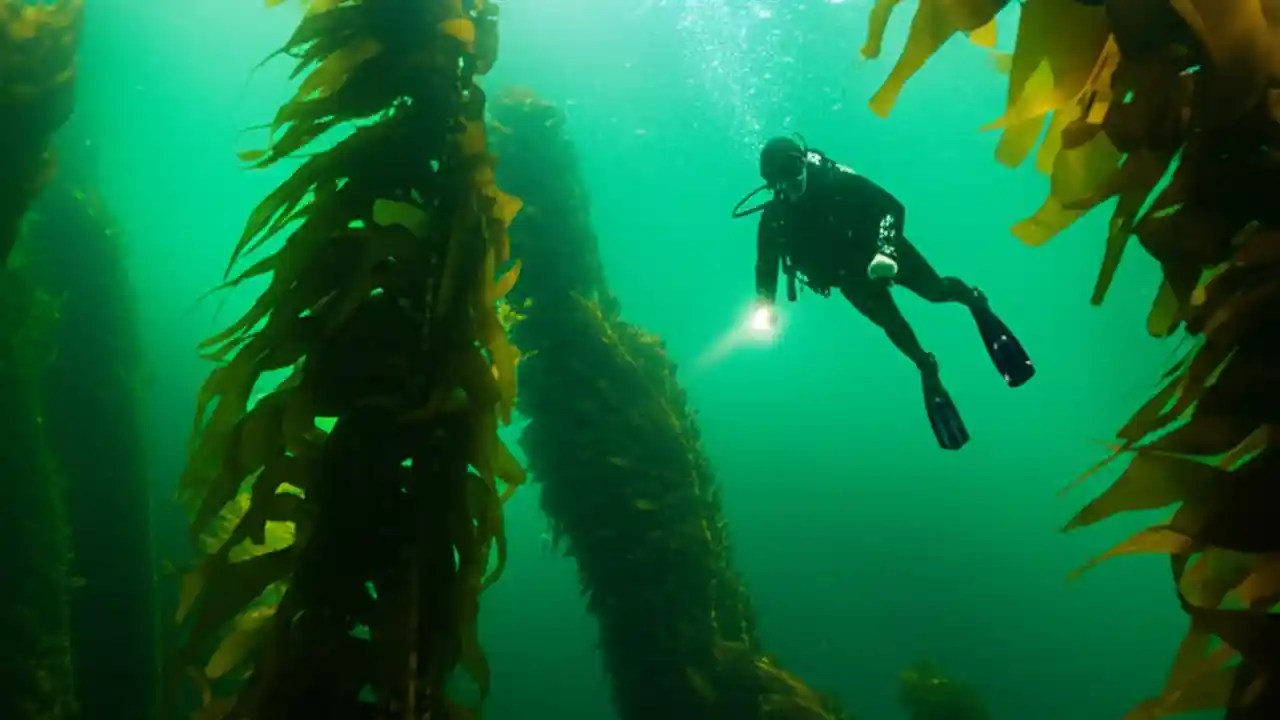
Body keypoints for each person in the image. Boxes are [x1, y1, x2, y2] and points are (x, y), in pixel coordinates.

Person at [731, 135, 1034, 450]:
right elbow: (765, 263)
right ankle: (926, 367)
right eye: (777, 178)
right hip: (850, 280)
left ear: (803, 161)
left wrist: (886, 250)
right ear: (769, 182)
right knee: (895, 326)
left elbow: (890, 206)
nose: (790, 183)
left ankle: (973, 300)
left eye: (794, 169)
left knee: (937, 291)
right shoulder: (775, 217)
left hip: (883, 255)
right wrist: (764, 304)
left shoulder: (838, 181)